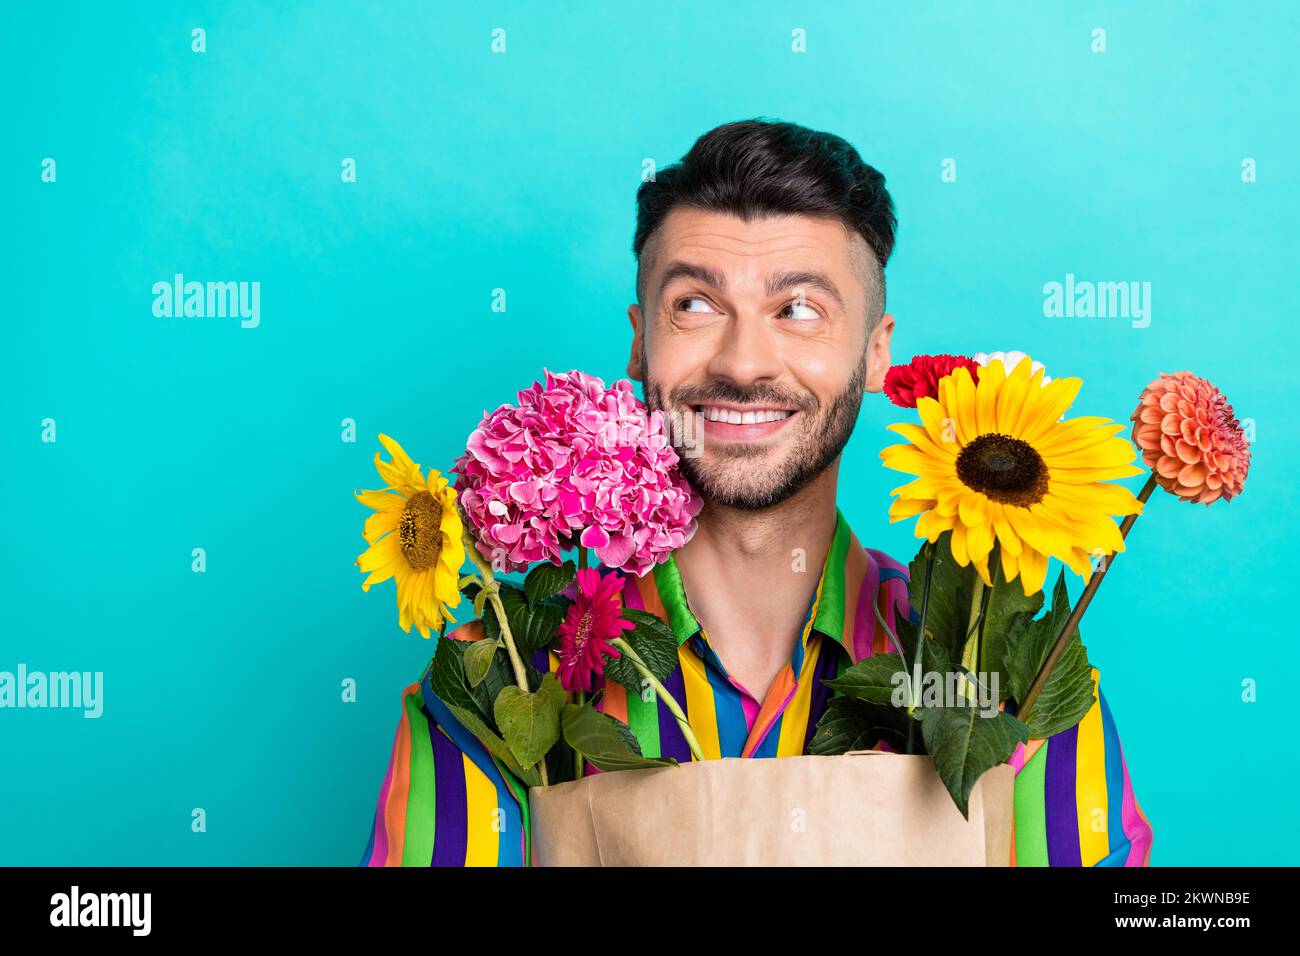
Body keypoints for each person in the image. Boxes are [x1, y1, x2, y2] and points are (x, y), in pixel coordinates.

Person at [360, 119, 1153, 867]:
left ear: (877, 356)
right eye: (695, 305)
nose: (743, 363)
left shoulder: (1016, 678)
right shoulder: (498, 680)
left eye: (798, 308)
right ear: (640, 341)